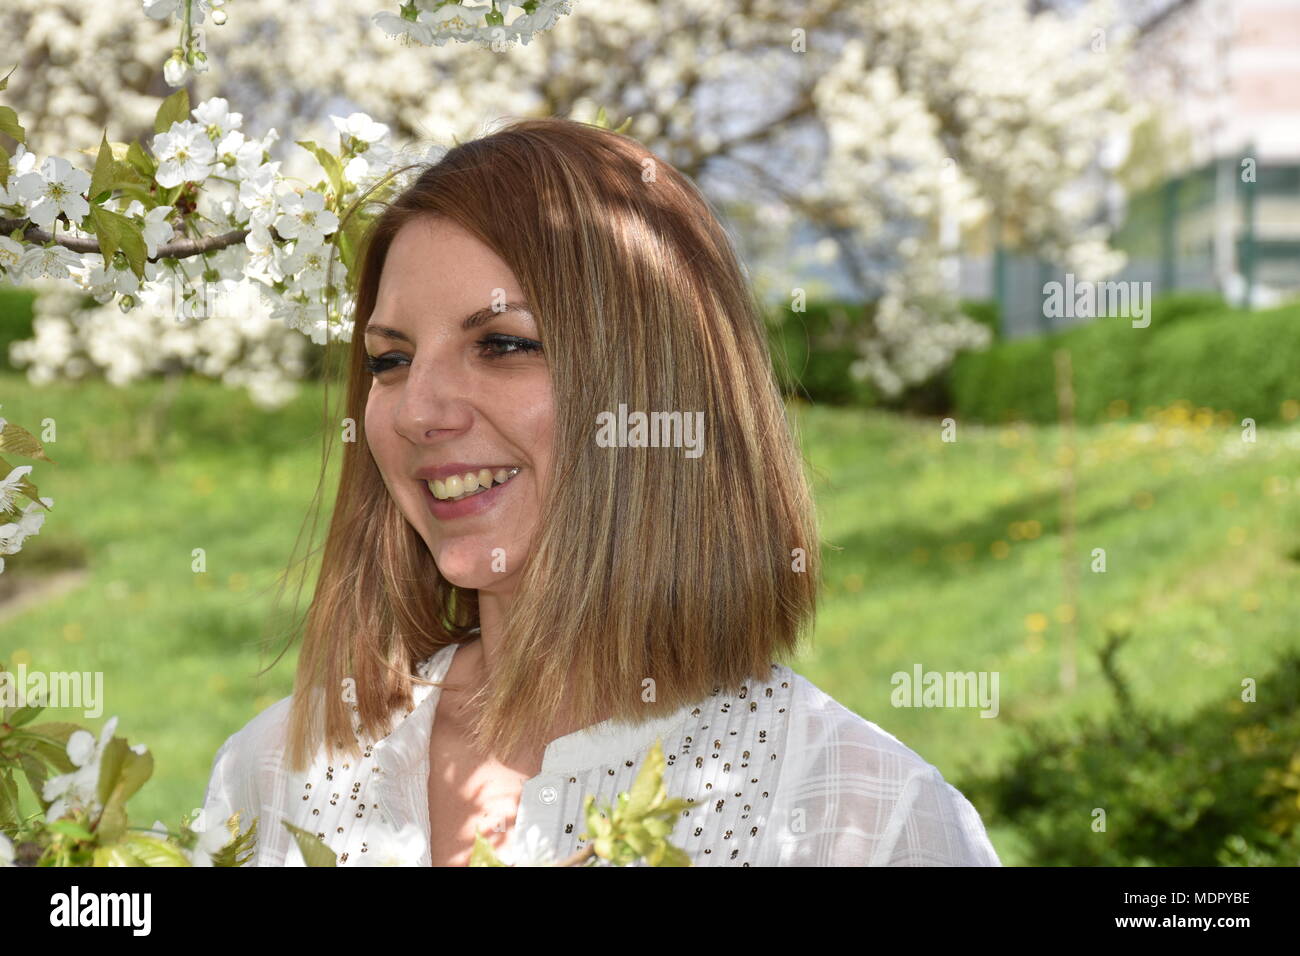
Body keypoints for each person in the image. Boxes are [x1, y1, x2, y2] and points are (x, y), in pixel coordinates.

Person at [200, 115, 1001, 867]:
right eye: (390, 359)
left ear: (655, 391)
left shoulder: (864, 819)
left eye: (503, 344)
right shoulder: (277, 778)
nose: (418, 412)